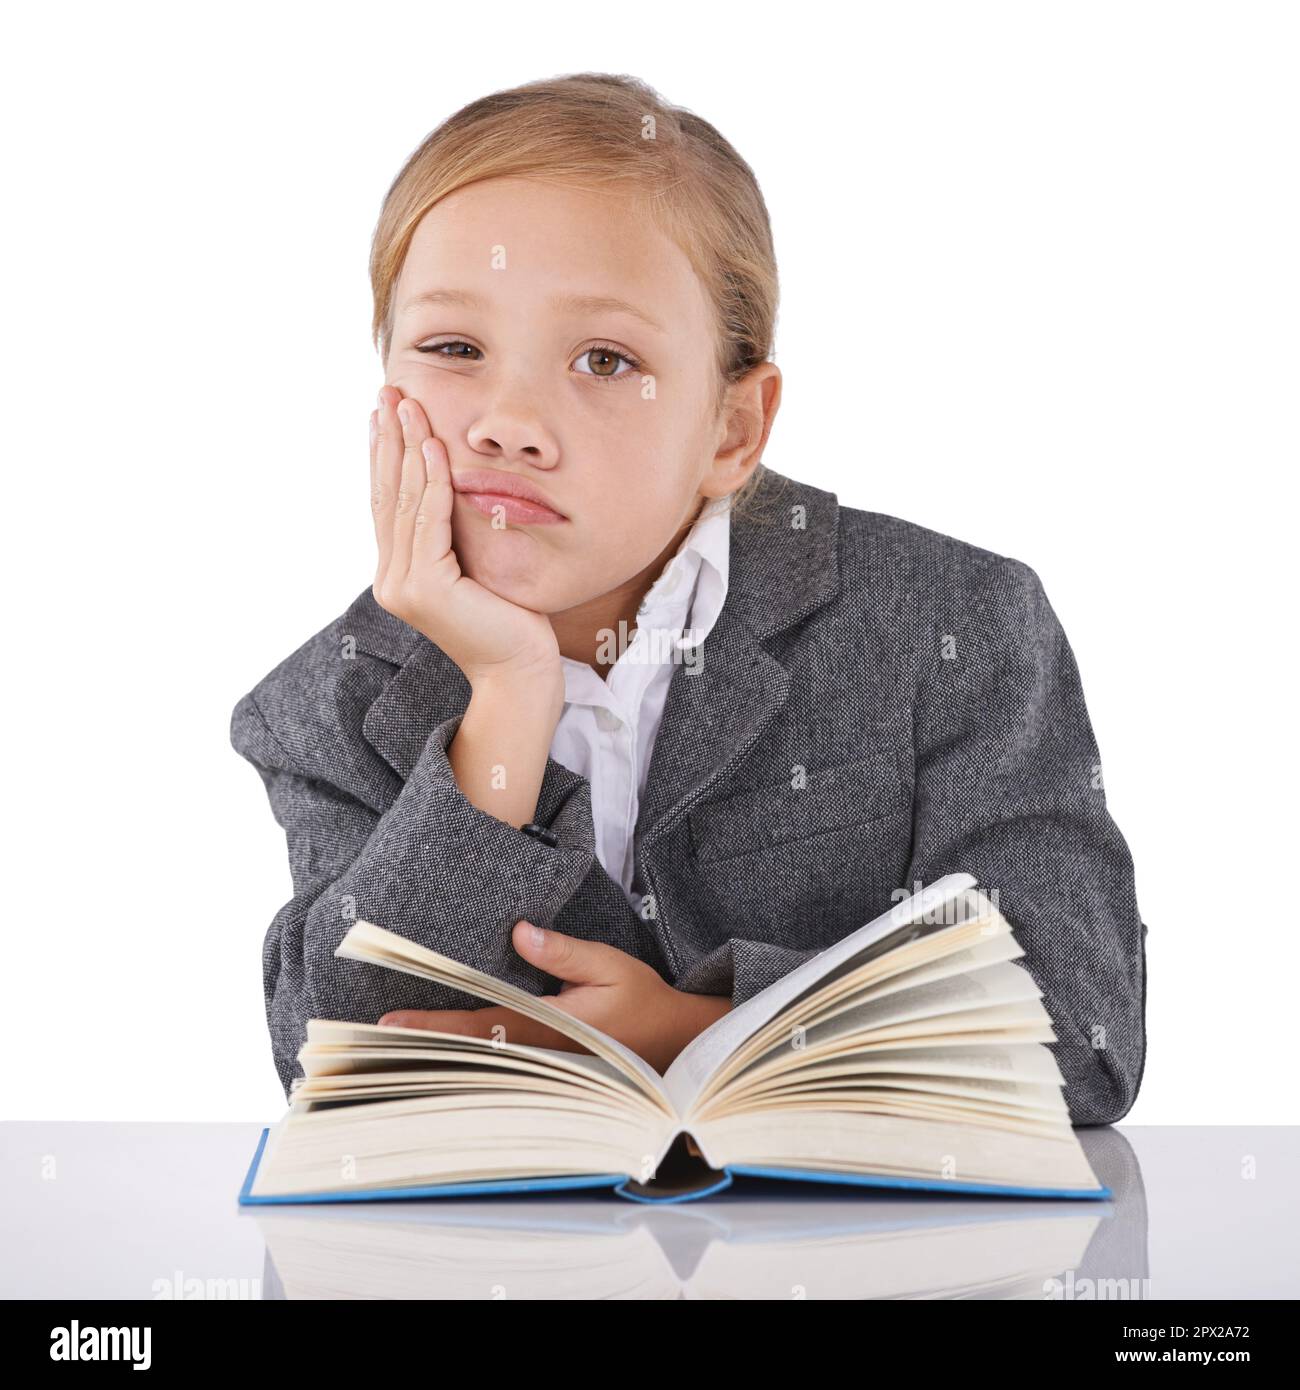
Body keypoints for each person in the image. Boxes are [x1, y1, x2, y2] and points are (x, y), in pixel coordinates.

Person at [231, 72, 1147, 1124]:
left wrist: (705, 1023)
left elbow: (1083, 1028)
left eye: (605, 359)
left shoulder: (955, 622)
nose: (507, 422)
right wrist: (505, 699)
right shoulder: (326, 702)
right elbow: (333, 1061)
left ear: (731, 431)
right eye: (453, 349)